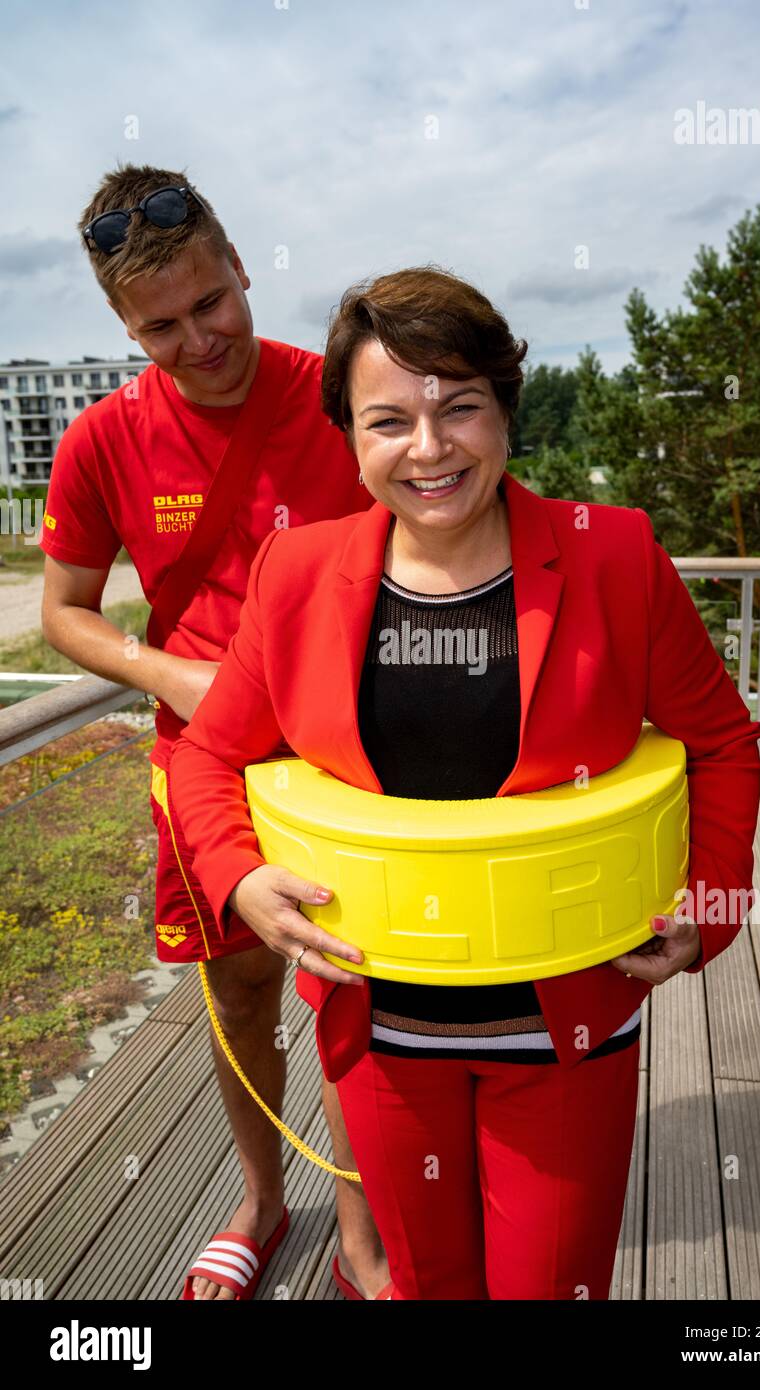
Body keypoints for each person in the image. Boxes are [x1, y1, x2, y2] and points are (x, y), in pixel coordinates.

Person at [169, 265, 760, 1299]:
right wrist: (234, 877)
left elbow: (722, 740)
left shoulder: (612, 556)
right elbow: (207, 755)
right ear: (351, 437)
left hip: (568, 1027)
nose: (428, 448)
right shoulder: (297, 576)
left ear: (503, 411)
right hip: (381, 1032)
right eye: (387, 420)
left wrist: (704, 908)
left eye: (458, 407)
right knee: (424, 1282)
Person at [38, 163, 392, 1301]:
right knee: (238, 992)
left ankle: (361, 1226)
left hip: (354, 758)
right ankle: (259, 1197)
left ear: (242, 268)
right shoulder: (101, 440)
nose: (198, 341)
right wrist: (171, 674)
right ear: (121, 325)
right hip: (206, 766)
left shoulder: (342, 394)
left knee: (357, 986)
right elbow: (64, 611)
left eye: (213, 305)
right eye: (161, 327)